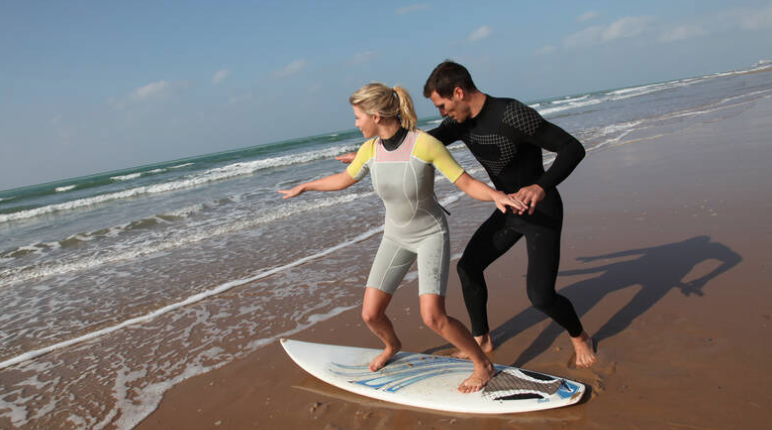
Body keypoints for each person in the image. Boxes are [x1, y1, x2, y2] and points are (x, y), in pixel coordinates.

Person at [337, 62, 597, 368]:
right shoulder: (460, 123)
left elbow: (571, 148)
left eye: (443, 105)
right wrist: (370, 154)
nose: (443, 112)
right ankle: (482, 338)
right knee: (469, 268)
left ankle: (580, 336)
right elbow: (416, 144)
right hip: (507, 208)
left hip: (541, 210)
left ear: (459, 92)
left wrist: (540, 187)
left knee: (540, 296)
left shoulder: (511, 114)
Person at [279, 82, 528, 392]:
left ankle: (483, 364)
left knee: (433, 317)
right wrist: (306, 186)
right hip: (395, 237)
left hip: (429, 236)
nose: (356, 124)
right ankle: (391, 345)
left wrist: (495, 196)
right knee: (371, 314)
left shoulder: (424, 144)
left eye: (358, 117)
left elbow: (464, 182)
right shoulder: (370, 150)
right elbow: (344, 179)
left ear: (377, 115)